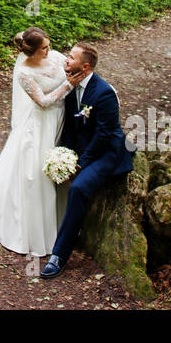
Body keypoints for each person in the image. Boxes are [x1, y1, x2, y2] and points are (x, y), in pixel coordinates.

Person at [0, 27, 78, 257]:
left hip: (61, 118)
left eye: (49, 45)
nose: (50, 51)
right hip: (40, 124)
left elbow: (73, 66)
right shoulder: (24, 73)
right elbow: (43, 101)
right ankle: (28, 228)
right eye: (44, 49)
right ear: (32, 52)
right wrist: (68, 86)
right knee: (33, 173)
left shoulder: (56, 57)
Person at [40, 41, 135, 279]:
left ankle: (59, 255)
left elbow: (104, 135)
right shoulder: (71, 88)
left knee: (80, 187)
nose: (66, 60)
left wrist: (80, 164)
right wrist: (63, 154)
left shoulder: (104, 93)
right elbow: (72, 128)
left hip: (107, 153)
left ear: (86, 66)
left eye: (71, 58)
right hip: (85, 149)